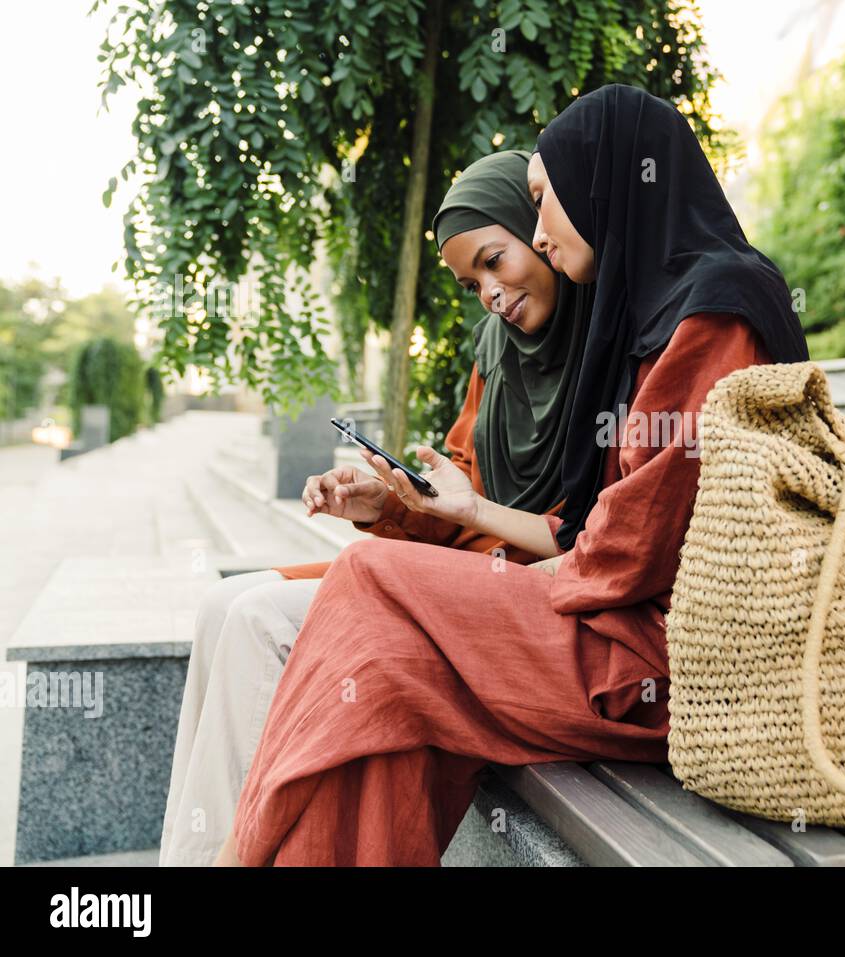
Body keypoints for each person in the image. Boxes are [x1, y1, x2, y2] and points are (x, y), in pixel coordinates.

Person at [216, 84, 810, 866]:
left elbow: (625, 553)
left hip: (667, 666)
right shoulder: (649, 318)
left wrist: (484, 583)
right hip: (614, 631)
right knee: (389, 674)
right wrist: (467, 557)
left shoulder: (715, 311)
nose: (537, 231)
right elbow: (594, 527)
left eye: (542, 203)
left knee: (368, 584)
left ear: (601, 181)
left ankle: (234, 857)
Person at [157, 149, 592, 866]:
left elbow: (581, 530)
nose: (489, 292)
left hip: (517, 597)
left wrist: (455, 517)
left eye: (495, 260)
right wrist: (383, 504)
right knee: (221, 606)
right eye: (469, 281)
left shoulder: (604, 350)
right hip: (454, 571)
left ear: (539, 228)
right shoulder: (500, 352)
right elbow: (463, 496)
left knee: (260, 621)